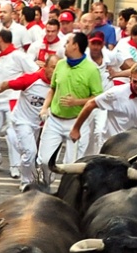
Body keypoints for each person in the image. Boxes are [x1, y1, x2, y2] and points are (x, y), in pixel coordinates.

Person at [36, 32, 102, 189]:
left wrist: (76, 102)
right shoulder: (60, 65)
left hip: (77, 122)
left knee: (72, 166)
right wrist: (45, 108)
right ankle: (46, 184)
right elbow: (52, 89)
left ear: (75, 46)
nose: (64, 45)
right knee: (44, 160)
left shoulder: (91, 70)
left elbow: (98, 98)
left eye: (67, 43)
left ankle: (66, 193)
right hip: (54, 119)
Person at [0, 55, 56, 191]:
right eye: (53, 67)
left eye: (58, 68)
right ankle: (26, 181)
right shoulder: (31, 79)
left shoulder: (58, 84)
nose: (55, 71)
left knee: (37, 155)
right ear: (45, 67)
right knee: (30, 152)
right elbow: (8, 84)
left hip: (39, 125)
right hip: (22, 121)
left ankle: (41, 178)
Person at [0, 29, 37, 178]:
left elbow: (34, 71)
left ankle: (15, 165)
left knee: (12, 134)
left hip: (12, 100)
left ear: (0, 38)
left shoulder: (19, 55)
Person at [70, 61, 137, 144]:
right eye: (135, 81)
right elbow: (91, 104)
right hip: (110, 141)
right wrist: (76, 129)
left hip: (133, 142)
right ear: (130, 79)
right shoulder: (116, 93)